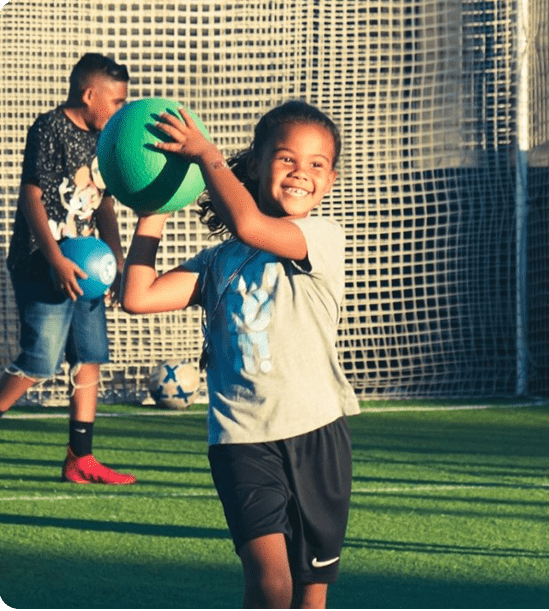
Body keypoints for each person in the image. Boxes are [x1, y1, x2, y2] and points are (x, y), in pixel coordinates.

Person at [121, 100, 360, 609]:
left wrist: (204, 153)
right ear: (255, 164)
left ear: (331, 179)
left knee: (309, 595)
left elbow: (250, 225)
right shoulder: (216, 262)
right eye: (286, 158)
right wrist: (153, 215)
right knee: (271, 584)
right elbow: (138, 297)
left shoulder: (322, 237)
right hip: (241, 440)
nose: (302, 173)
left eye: (317, 165)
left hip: (315, 433)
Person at [0, 53, 135, 485]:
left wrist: (115, 260)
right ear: (89, 94)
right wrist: (56, 259)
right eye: (116, 102)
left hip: (88, 271)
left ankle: (81, 457)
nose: (121, 111)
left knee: (89, 357)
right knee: (41, 360)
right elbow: (32, 198)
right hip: (44, 265)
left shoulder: (106, 141)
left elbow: (107, 205)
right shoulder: (49, 128)